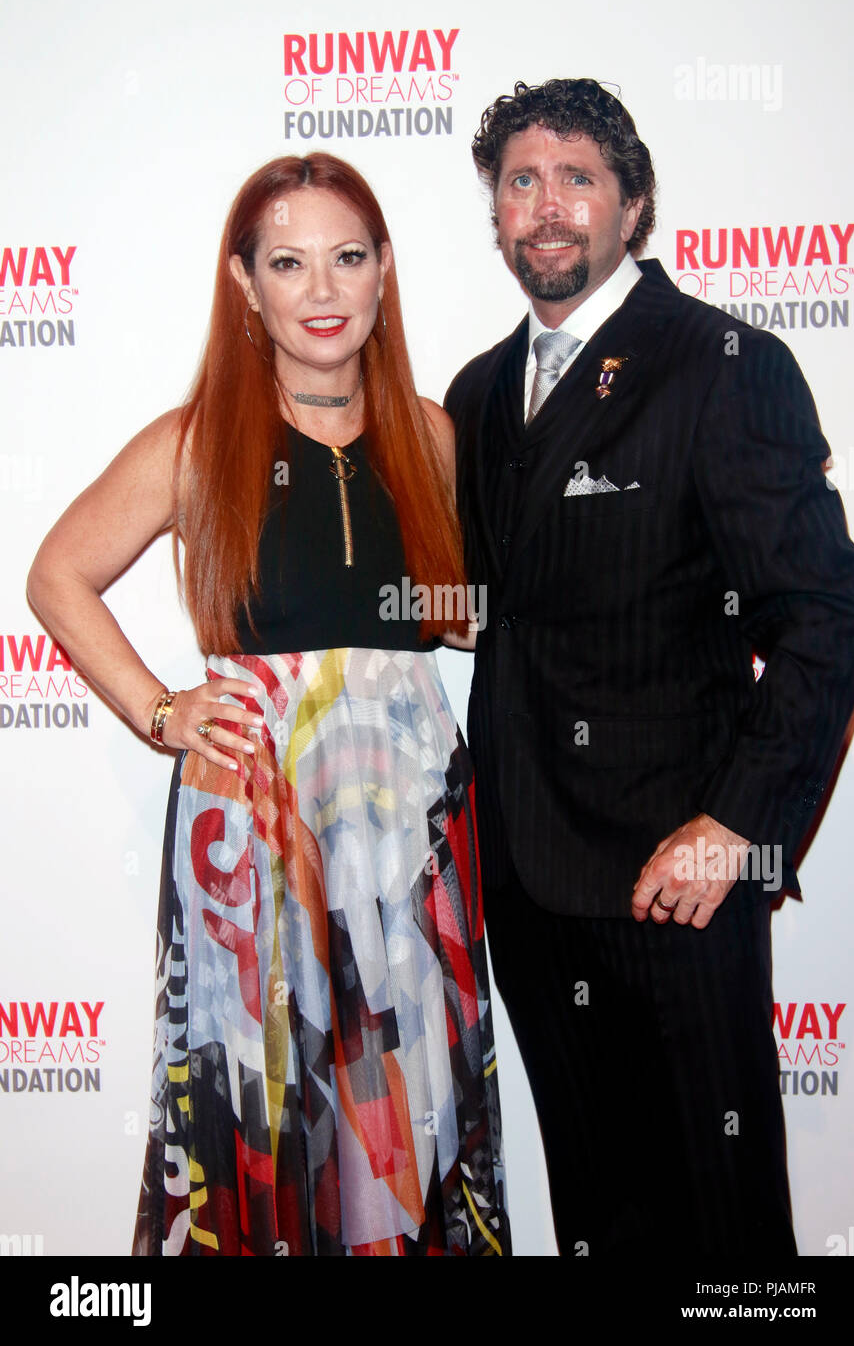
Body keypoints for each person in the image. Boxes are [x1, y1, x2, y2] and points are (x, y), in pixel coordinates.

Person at [28, 153, 509, 1257]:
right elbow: (57, 575)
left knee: (408, 1108)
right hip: (253, 828)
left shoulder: (431, 437)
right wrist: (162, 709)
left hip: (407, 833)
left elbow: (453, 612)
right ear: (245, 285)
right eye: (288, 262)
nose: (323, 287)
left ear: (383, 273)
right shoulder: (196, 441)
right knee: (262, 1107)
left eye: (347, 256)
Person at [444, 78, 854, 1257]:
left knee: (717, 1228)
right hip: (523, 886)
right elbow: (491, 610)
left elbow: (828, 611)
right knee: (597, 1213)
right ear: (495, 213)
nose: (547, 208)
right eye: (520, 181)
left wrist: (736, 826)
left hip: (672, 881)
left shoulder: (722, 363)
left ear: (631, 206)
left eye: (577, 178)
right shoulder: (475, 395)